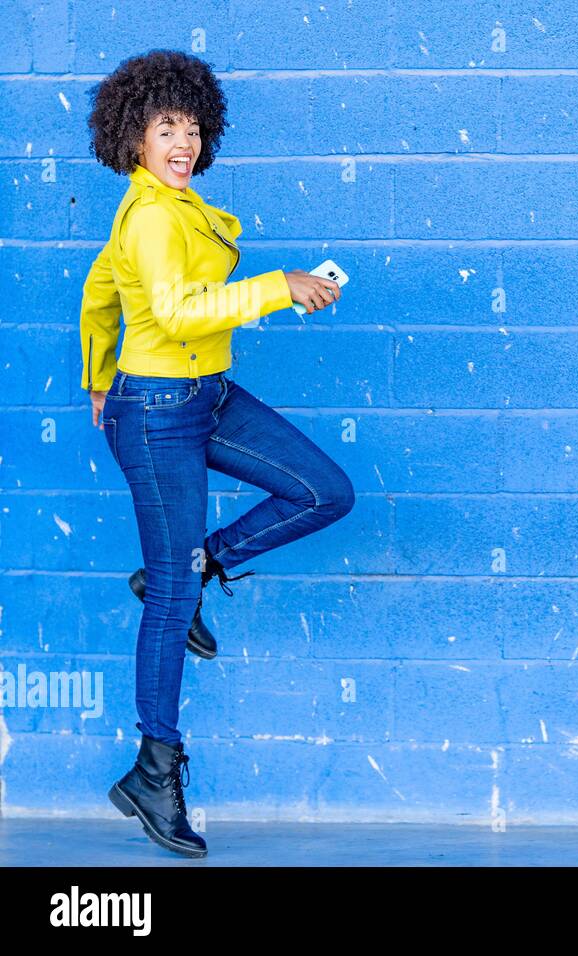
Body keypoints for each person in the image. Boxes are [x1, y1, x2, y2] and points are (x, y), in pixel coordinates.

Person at [80, 49, 355, 858]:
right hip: (160, 412)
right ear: (133, 135)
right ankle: (152, 770)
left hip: (205, 396)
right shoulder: (153, 214)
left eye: (193, 126)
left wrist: (98, 373)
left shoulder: (175, 204)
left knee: (323, 490)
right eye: (166, 126)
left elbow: (102, 290)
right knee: (167, 597)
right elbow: (172, 309)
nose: (183, 141)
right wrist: (279, 285)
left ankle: (205, 564)